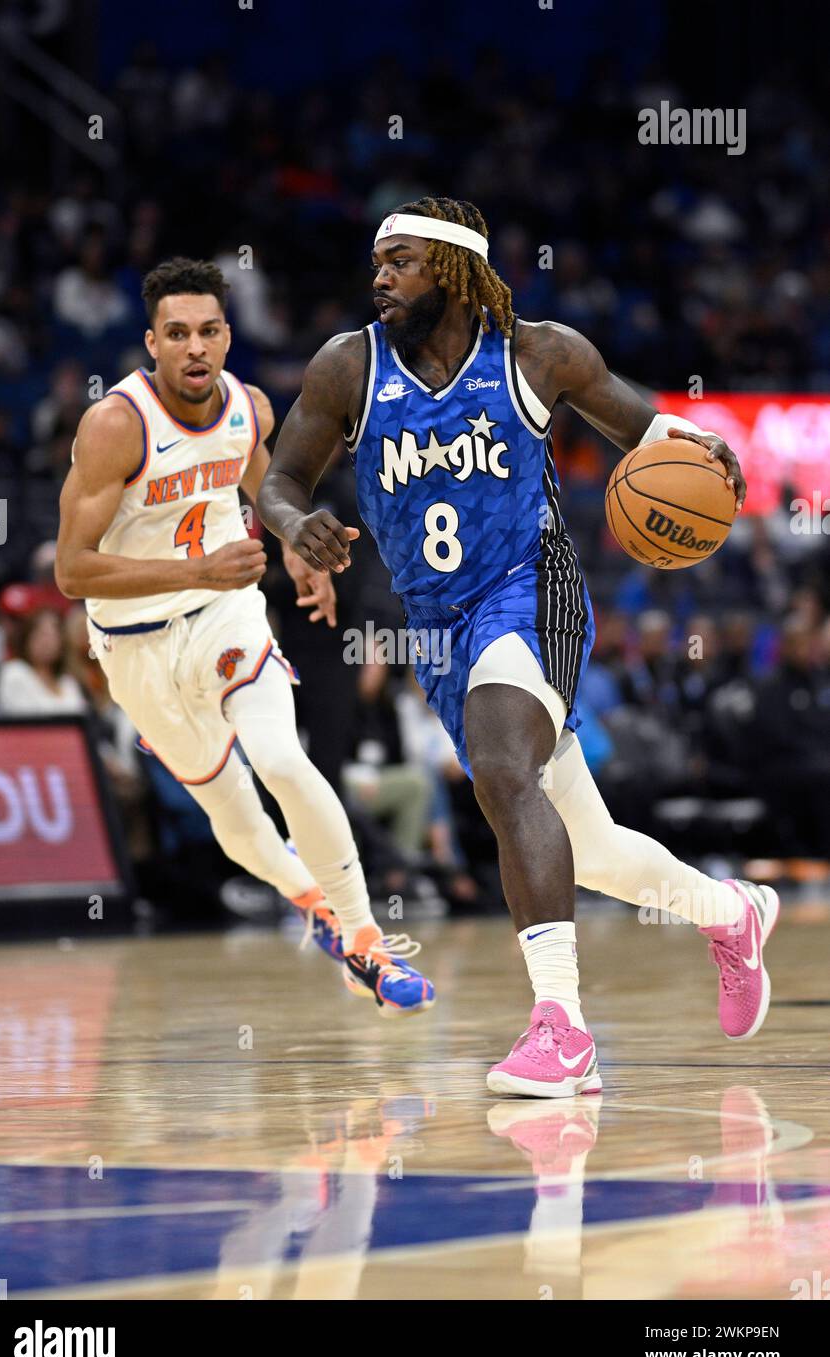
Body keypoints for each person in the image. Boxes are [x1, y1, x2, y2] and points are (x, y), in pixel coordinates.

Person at [257, 196, 779, 1098]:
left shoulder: (540, 354)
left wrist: (709, 451)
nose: (380, 276)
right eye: (377, 261)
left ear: (454, 272)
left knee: (502, 771)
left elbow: (650, 431)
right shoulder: (348, 367)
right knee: (591, 844)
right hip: (437, 625)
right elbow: (280, 478)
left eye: (403, 261)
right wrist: (296, 524)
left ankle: (561, 1028)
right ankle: (732, 912)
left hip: (533, 590)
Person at [55, 257, 434, 1014]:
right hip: (136, 646)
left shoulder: (249, 408)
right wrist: (197, 571)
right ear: (151, 343)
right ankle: (311, 902)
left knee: (283, 761)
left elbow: (265, 484)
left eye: (208, 331)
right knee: (233, 814)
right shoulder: (115, 426)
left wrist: (295, 547)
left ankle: (366, 940)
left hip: (226, 618)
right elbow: (72, 572)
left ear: (228, 335)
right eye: (177, 334)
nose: (195, 348)